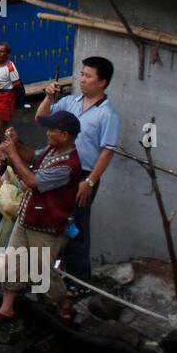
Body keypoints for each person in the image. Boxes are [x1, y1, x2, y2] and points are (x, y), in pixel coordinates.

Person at [0, 111, 82, 332]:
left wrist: (12, 152)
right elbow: (33, 157)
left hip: (47, 226)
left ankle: (62, 303)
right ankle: (7, 307)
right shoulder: (52, 149)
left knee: (41, 271)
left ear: (64, 135)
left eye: (51, 130)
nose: (47, 133)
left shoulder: (68, 165)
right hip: (27, 217)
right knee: (13, 261)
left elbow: (32, 180)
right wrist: (15, 144)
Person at [36, 55, 119, 292]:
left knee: (78, 227)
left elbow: (107, 152)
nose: (82, 79)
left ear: (102, 82)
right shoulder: (71, 101)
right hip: (60, 169)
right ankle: (56, 274)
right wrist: (49, 97)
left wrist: (90, 182)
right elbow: (41, 118)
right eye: (81, 74)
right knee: (57, 222)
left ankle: (80, 282)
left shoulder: (107, 114)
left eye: (88, 76)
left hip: (83, 176)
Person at [0, 42, 23, 134]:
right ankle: (1, 137)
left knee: (2, 121)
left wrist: (12, 99)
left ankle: (5, 141)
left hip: (6, 97)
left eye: (1, 51)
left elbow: (17, 85)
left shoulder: (10, 68)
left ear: (8, 54)